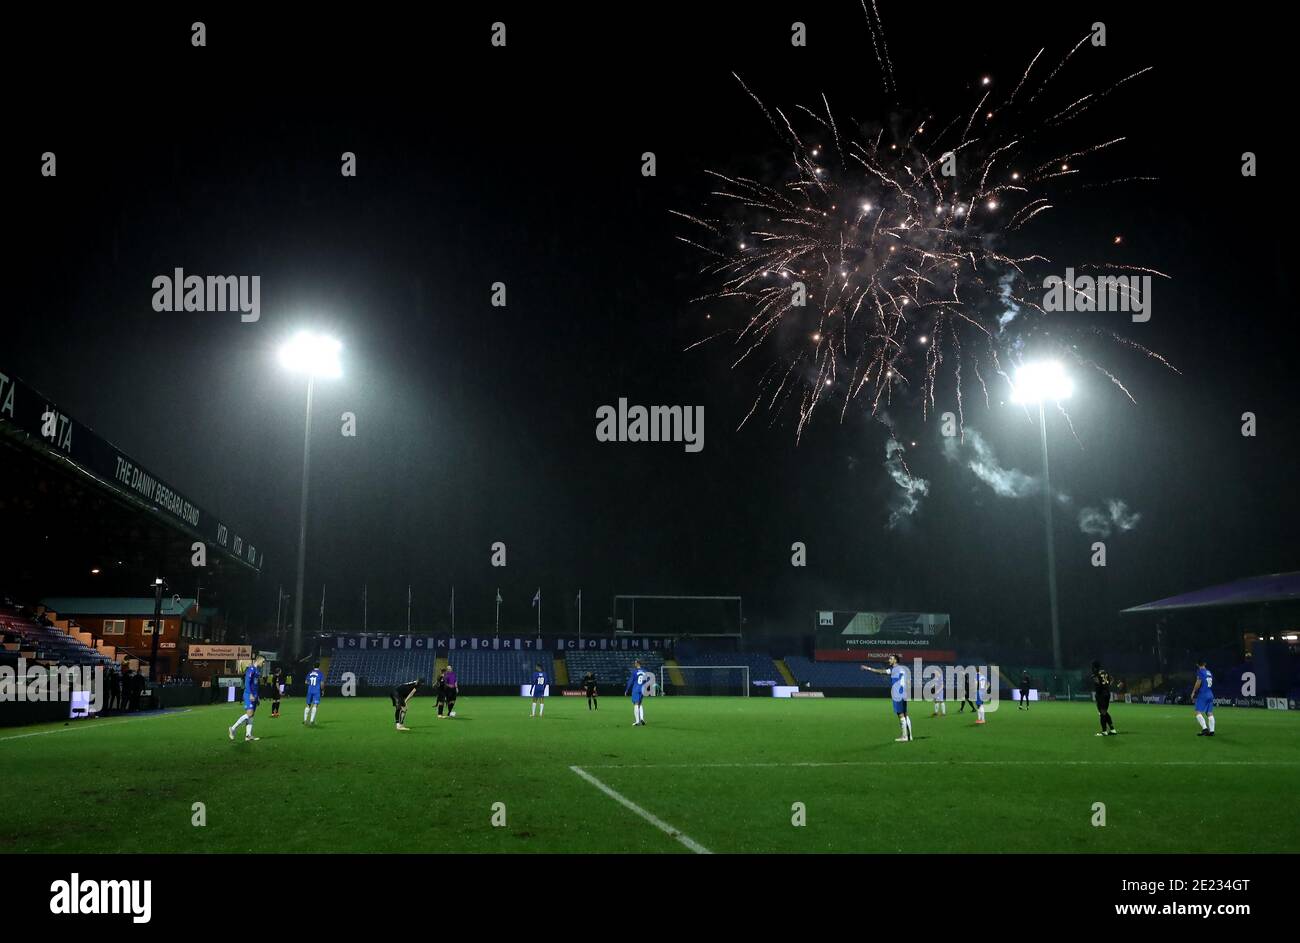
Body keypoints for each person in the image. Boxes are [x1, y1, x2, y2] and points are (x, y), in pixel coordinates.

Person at [862, 655, 912, 741]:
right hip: (904, 692)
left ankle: (904, 737)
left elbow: (881, 672)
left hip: (897, 693)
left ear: (895, 660)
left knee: (900, 714)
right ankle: (909, 736)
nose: (889, 660)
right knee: (905, 713)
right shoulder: (904, 669)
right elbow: (908, 681)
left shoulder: (894, 669)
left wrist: (868, 668)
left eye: (891, 659)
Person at [229, 655, 265, 742]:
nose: (264, 664)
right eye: (263, 662)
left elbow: (255, 685)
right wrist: (250, 694)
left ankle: (248, 735)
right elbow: (247, 683)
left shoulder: (257, 670)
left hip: (255, 695)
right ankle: (233, 728)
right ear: (259, 660)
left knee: (251, 716)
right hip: (249, 694)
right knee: (249, 714)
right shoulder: (251, 669)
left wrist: (257, 696)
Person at [1191, 659, 1216, 737]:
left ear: (1197, 665)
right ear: (1205, 664)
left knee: (1197, 711)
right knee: (1209, 713)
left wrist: (1193, 692)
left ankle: (1204, 729)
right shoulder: (1209, 672)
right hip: (1210, 693)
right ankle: (1212, 731)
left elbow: (1198, 683)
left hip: (1203, 693)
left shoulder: (1200, 672)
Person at [1091, 661, 1116, 736]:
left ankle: (1104, 731)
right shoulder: (1105, 672)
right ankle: (1112, 729)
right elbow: (1112, 679)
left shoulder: (1096, 674)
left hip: (1101, 695)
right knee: (1104, 712)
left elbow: (1098, 684)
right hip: (1107, 694)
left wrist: (1098, 691)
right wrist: (1107, 686)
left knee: (1102, 713)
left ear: (1095, 667)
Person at [624, 659, 650, 726]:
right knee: (640, 704)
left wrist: (627, 690)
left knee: (636, 704)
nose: (634, 664)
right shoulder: (645, 671)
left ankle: (637, 721)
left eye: (635, 663)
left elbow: (630, 681)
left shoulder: (634, 672)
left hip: (636, 689)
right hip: (642, 689)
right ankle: (642, 718)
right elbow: (648, 680)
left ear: (638, 664)